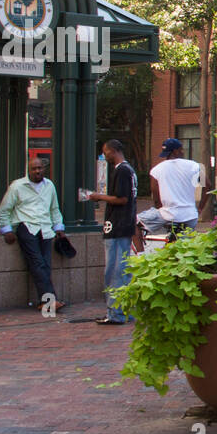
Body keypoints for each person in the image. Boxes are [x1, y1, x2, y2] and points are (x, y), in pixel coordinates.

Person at [0, 157, 67, 310]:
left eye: (39, 168)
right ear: (28, 170)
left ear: (44, 169)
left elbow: (54, 209)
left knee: (45, 265)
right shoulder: (17, 186)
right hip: (26, 227)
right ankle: (50, 301)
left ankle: (44, 302)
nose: (37, 171)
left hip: (45, 228)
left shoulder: (49, 186)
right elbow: (4, 210)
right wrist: (6, 230)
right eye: (33, 169)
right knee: (37, 262)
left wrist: (59, 228)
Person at [86, 140, 138, 326]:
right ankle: (125, 310)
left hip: (117, 226)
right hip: (123, 225)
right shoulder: (129, 170)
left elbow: (122, 199)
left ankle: (115, 313)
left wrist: (97, 196)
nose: (104, 155)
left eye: (105, 152)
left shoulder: (121, 170)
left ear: (114, 151)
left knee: (114, 271)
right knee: (122, 270)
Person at [137, 137, 210, 240]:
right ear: (176, 151)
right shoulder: (194, 165)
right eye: (181, 149)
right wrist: (200, 208)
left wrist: (162, 212)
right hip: (190, 216)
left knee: (134, 223)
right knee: (183, 246)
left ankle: (140, 253)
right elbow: (208, 185)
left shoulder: (156, 170)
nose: (183, 152)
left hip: (169, 215)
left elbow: (157, 200)